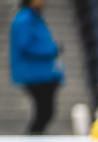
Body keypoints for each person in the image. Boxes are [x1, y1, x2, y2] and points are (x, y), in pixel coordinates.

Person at [9, 0, 62, 134]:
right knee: (44, 112)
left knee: (45, 112)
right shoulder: (24, 19)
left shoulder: (34, 17)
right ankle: (31, 141)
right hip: (34, 74)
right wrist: (51, 49)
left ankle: (35, 139)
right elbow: (25, 46)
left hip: (44, 73)